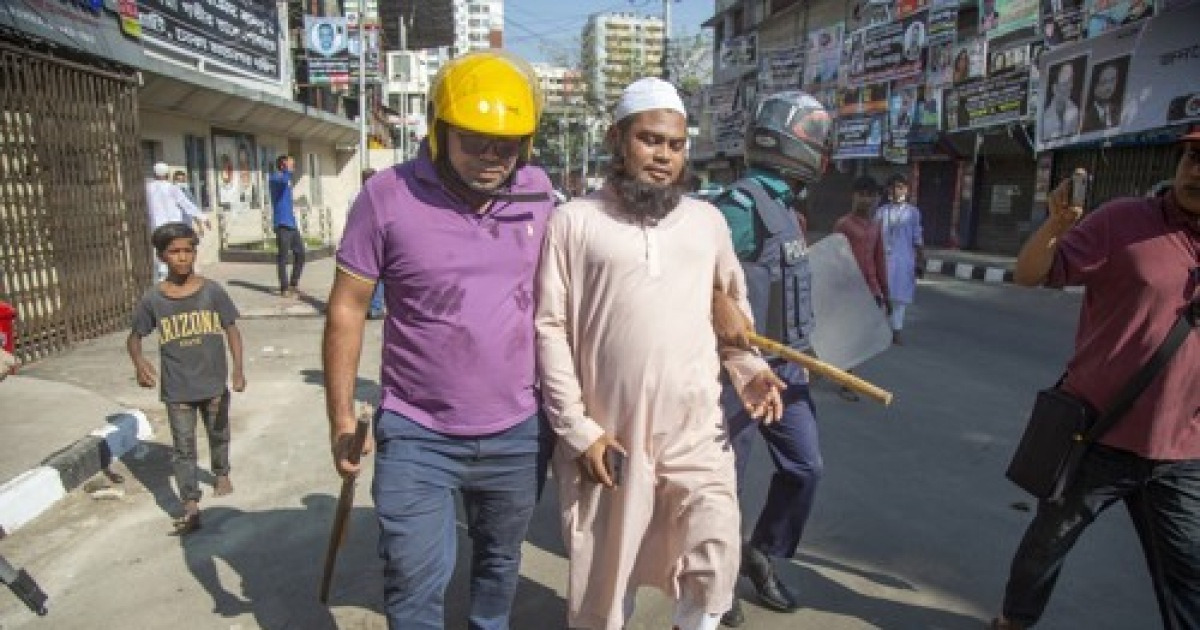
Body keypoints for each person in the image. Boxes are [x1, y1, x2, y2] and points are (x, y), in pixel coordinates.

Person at [535, 77, 785, 630]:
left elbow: (732, 311)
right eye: (649, 140)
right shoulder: (574, 222)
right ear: (617, 140)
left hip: (696, 429)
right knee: (606, 582)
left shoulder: (706, 222)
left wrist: (749, 369)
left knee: (715, 553)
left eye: (675, 145)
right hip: (611, 434)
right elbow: (550, 328)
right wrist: (577, 430)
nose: (664, 156)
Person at [323, 50, 555, 630]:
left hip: (518, 431)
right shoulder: (386, 196)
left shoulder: (539, 192)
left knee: (499, 565)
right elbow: (348, 307)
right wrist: (341, 419)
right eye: (474, 140)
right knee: (413, 579)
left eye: (507, 144)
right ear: (438, 129)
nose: (491, 157)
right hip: (416, 431)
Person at [991, 129, 1200, 630]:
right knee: (1046, 546)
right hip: (1098, 434)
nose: (1197, 171)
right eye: (1194, 157)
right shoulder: (1122, 220)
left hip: (1183, 448)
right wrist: (1055, 226)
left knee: (1188, 574)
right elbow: (1029, 273)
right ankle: (1013, 622)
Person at [704, 90, 834, 626]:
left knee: (806, 467)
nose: (824, 146)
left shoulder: (786, 207)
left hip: (788, 366)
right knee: (726, 483)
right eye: (816, 135)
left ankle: (762, 551)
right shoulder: (737, 208)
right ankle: (717, 584)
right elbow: (700, 277)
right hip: (738, 370)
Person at [126, 222, 246, 536]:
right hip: (178, 387)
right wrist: (139, 362)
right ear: (162, 256)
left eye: (188, 250)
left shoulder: (212, 291)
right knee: (183, 447)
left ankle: (221, 472)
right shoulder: (154, 299)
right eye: (174, 252)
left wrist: (238, 370)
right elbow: (134, 337)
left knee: (218, 433)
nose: (182, 257)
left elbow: (231, 329)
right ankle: (190, 501)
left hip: (213, 382)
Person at [875, 174, 924, 345]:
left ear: (907, 190)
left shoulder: (913, 212)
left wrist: (920, 260)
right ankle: (879, 331)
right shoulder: (881, 211)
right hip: (882, 260)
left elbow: (917, 237)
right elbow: (874, 236)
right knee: (881, 295)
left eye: (900, 187)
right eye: (893, 187)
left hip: (904, 260)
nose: (896, 191)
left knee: (900, 298)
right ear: (888, 190)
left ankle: (897, 331)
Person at [146, 162, 206, 281]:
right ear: (167, 174)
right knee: (174, 251)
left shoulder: (148, 188)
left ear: (154, 174)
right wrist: (203, 217)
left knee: (159, 252)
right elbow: (187, 204)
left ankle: (161, 278)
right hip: (173, 228)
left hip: (156, 227)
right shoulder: (172, 188)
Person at [268, 155, 304, 298]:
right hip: (282, 223)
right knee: (283, 257)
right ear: (283, 165)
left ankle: (293, 284)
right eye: (290, 164)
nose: (293, 166)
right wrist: (287, 169)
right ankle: (284, 288)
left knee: (300, 254)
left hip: (291, 223)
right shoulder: (275, 178)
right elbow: (283, 180)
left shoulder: (286, 179)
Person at [358, 167, 385, 320]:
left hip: (360, 243)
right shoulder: (377, 197)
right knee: (379, 277)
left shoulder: (356, 196)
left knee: (363, 276)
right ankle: (375, 308)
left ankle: (365, 307)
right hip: (374, 241)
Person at [1042, 62, 1081, 140]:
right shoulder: (1043, 117)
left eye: (1071, 80)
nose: (1070, 86)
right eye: (1065, 82)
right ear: (1054, 87)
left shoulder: (1075, 111)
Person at [1081, 61, 1124, 133]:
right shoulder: (1085, 119)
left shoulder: (1120, 111)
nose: (1109, 87)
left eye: (1112, 80)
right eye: (1103, 82)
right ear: (1094, 86)